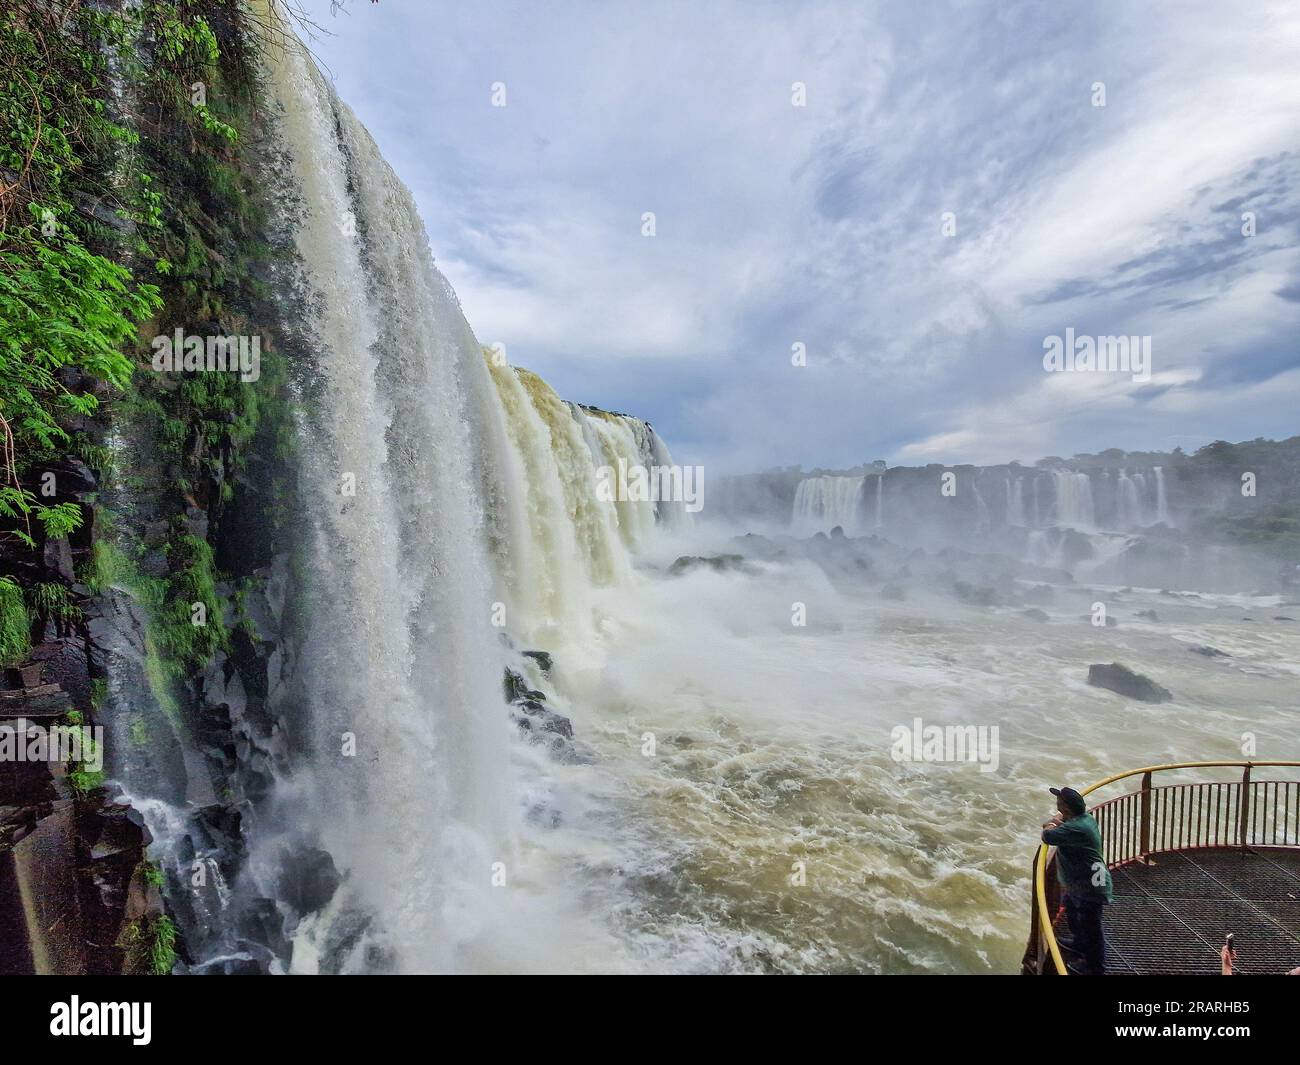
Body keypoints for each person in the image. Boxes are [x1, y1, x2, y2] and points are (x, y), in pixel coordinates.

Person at [1042, 785, 1113, 974]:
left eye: (1059, 801)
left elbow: (1047, 835)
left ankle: (1094, 967)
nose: (1057, 802)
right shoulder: (1085, 819)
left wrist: (1054, 822)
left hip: (1092, 885)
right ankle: (1079, 943)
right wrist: (1060, 820)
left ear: (1065, 807)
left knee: (1092, 928)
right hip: (1082, 882)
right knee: (1073, 911)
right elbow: (1062, 825)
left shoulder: (1076, 828)